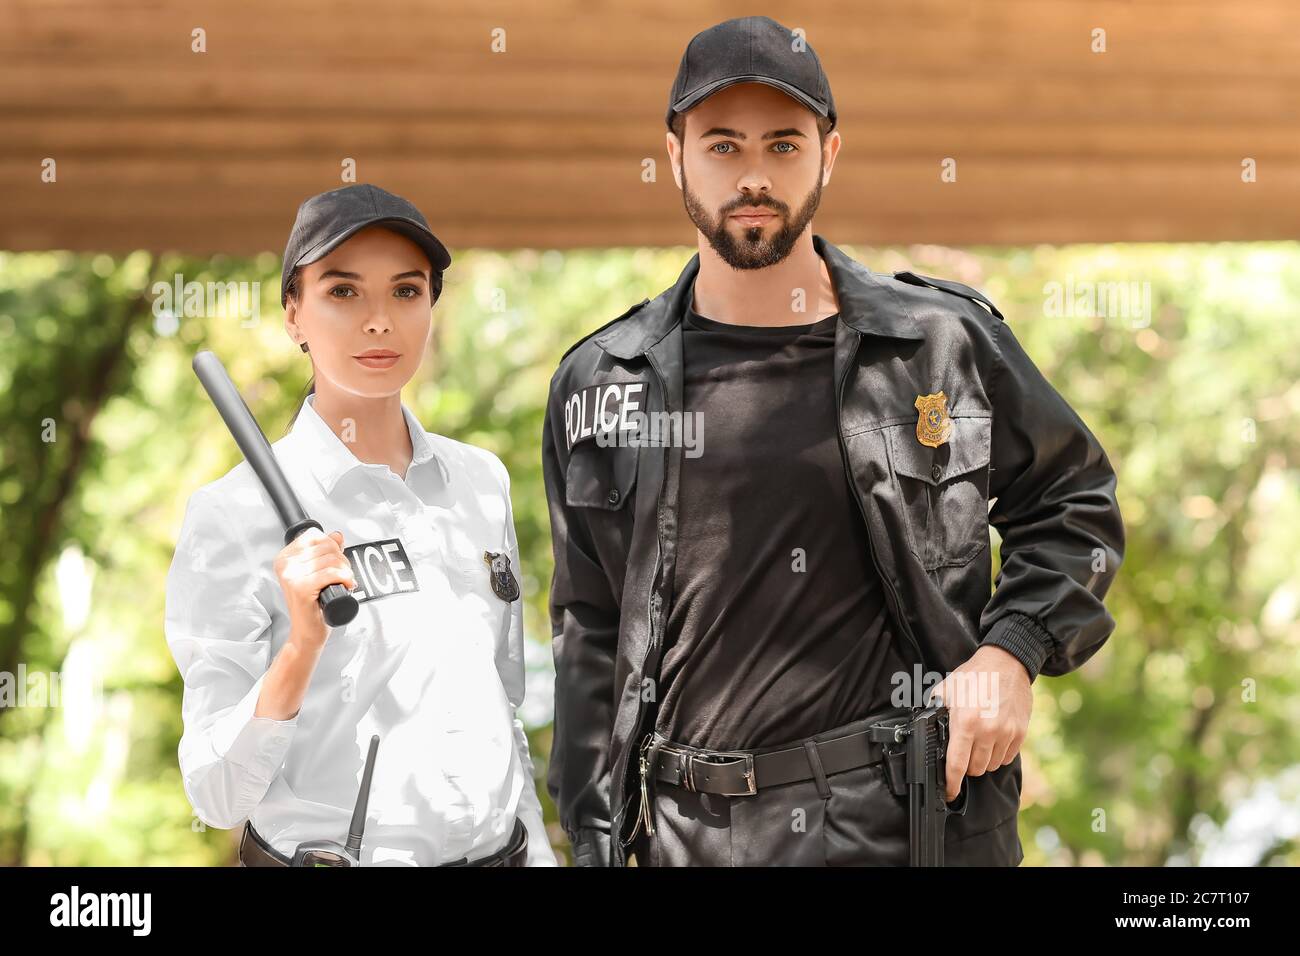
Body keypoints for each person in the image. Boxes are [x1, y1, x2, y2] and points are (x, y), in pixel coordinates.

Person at [542, 16, 1125, 866]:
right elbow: (588, 630)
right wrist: (593, 843)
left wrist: (1012, 652)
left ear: (830, 153)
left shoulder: (940, 344)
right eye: (722, 146)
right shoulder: (602, 383)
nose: (753, 176)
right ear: (674, 157)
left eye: (784, 146)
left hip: (907, 828)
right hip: (684, 838)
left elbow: (1076, 503)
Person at [165, 183, 556, 866]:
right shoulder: (232, 515)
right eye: (343, 292)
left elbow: (503, 710)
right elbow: (215, 794)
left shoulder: (480, 484)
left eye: (406, 291)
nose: (379, 320)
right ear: (294, 315)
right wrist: (299, 650)